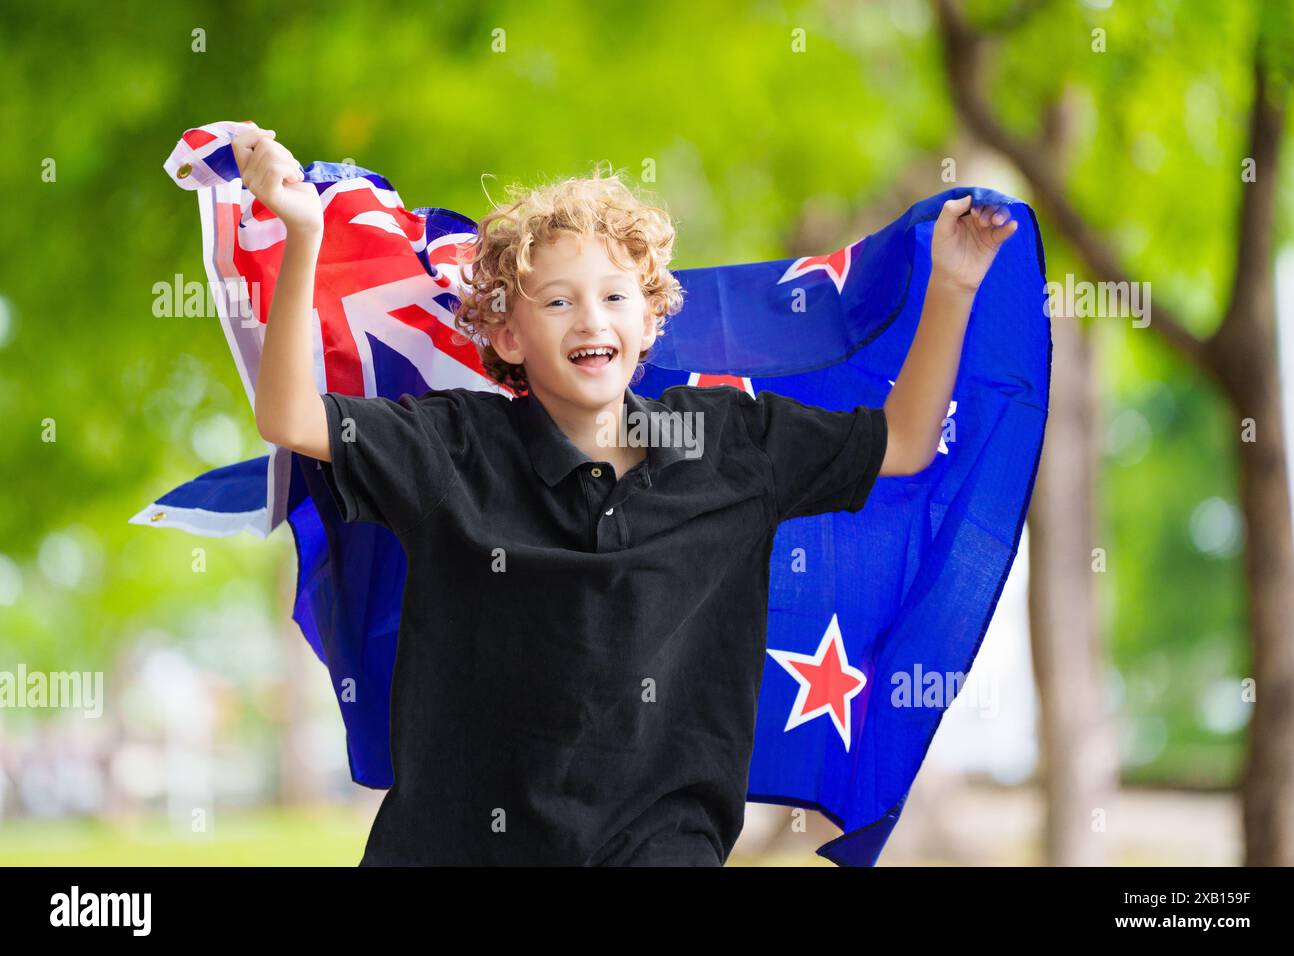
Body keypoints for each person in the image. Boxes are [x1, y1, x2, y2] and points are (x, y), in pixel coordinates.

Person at [235, 128, 1018, 865]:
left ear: (649, 322)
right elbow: (291, 416)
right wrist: (303, 233)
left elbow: (906, 442)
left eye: (615, 297)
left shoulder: (730, 444)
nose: (591, 318)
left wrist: (952, 283)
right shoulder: (455, 445)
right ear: (508, 336)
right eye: (557, 301)